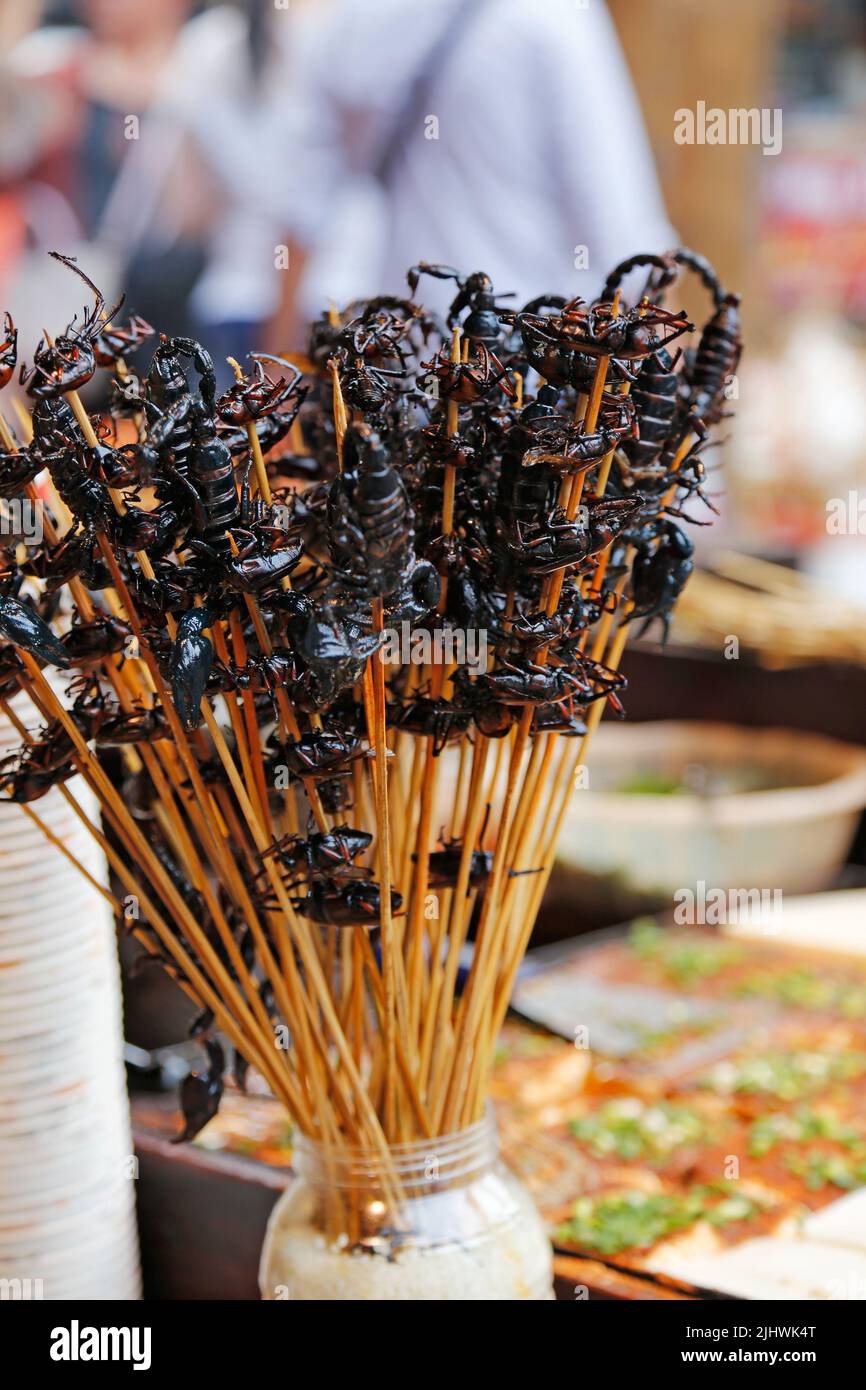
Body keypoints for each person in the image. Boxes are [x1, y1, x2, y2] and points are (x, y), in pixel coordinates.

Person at [266, 0, 676, 345]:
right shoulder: (555, 16)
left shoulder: (351, 20)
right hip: (531, 381)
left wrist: (282, 374)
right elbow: (627, 236)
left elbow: (299, 220)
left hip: (406, 369)